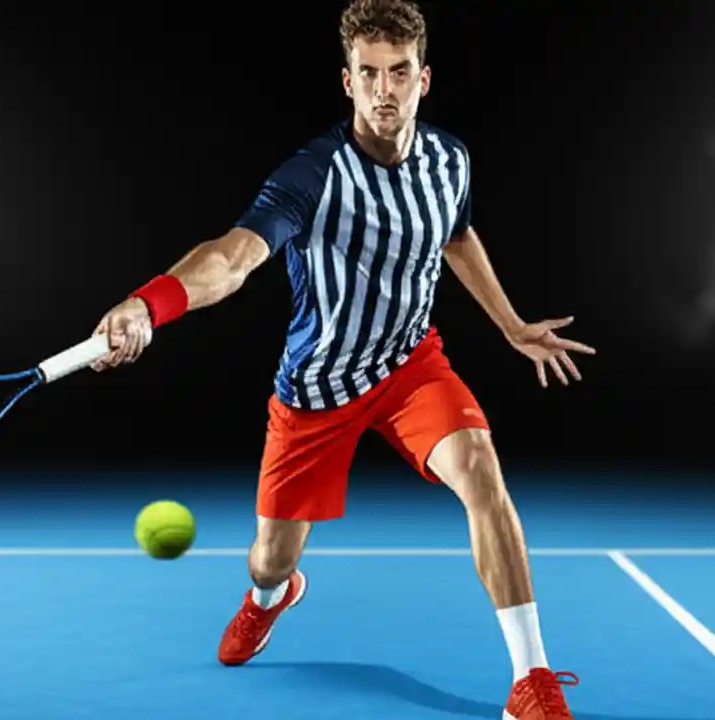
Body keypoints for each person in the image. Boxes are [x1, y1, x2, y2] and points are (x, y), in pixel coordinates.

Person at [89, 1, 595, 717]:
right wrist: (149, 304)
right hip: (315, 391)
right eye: (368, 73)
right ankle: (272, 597)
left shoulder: (451, 161)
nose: (383, 89)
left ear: (424, 79)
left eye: (397, 73)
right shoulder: (312, 176)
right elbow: (233, 259)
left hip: (411, 367)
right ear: (347, 81)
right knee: (270, 559)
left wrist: (509, 323)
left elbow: (454, 235)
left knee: (482, 470)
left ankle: (531, 682)